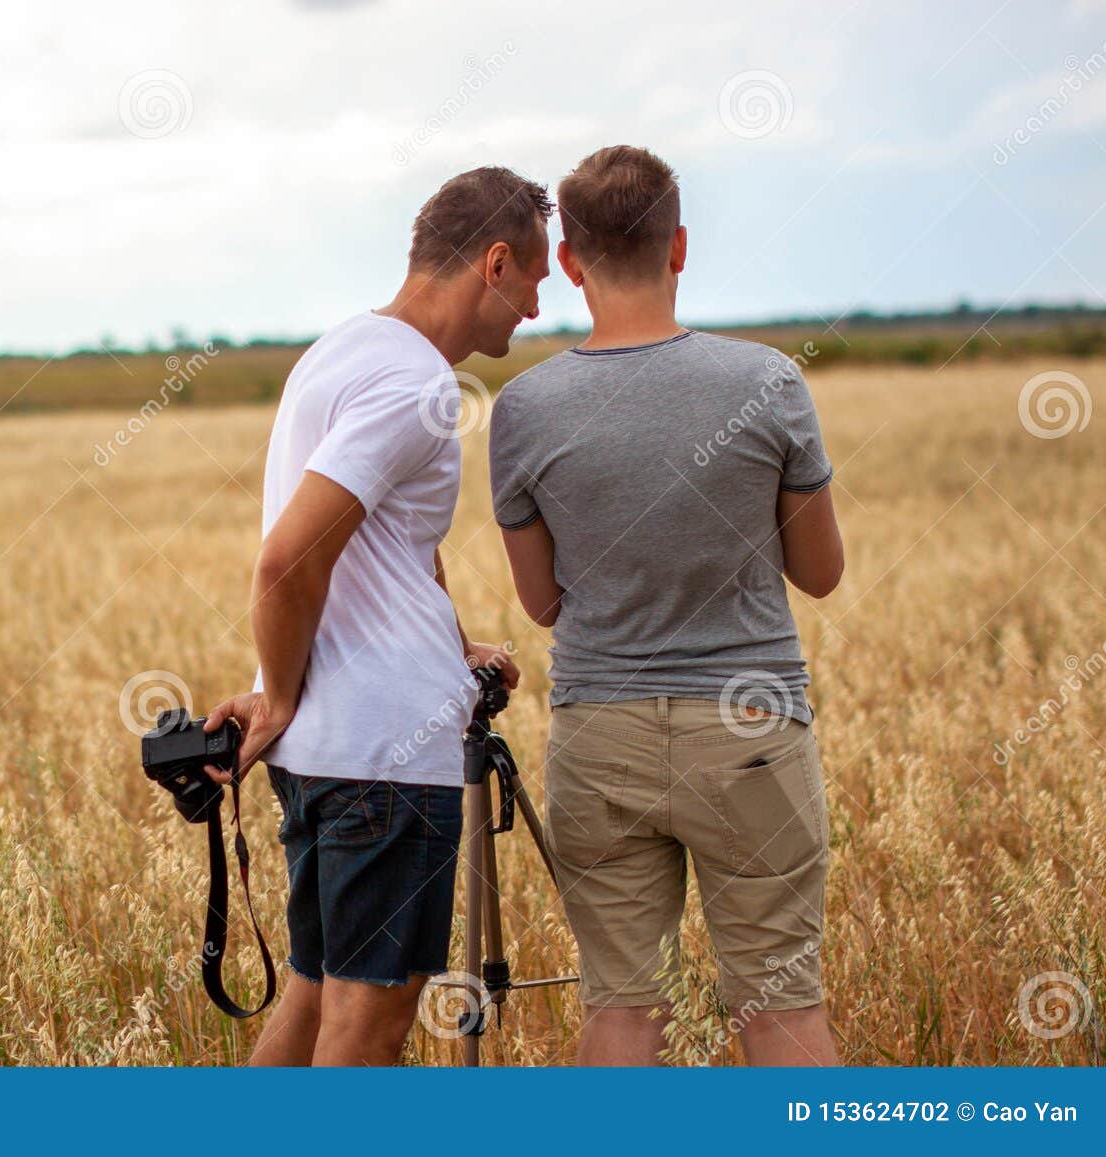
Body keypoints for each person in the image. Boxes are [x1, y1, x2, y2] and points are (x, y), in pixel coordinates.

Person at [488, 146, 846, 1066]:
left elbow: (542, 602)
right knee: (778, 1004)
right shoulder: (766, 382)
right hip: (752, 729)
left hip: (600, 735)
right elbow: (820, 573)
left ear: (568, 262)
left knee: (621, 1007)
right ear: (679, 246)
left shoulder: (525, 408)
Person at [201, 166, 550, 1066]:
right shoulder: (419, 387)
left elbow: (386, 541)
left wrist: (448, 638)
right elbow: (287, 557)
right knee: (372, 1025)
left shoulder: (343, 349)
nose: (538, 308)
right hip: (386, 756)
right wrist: (274, 695)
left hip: (329, 752)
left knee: (317, 996)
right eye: (536, 279)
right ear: (496, 262)